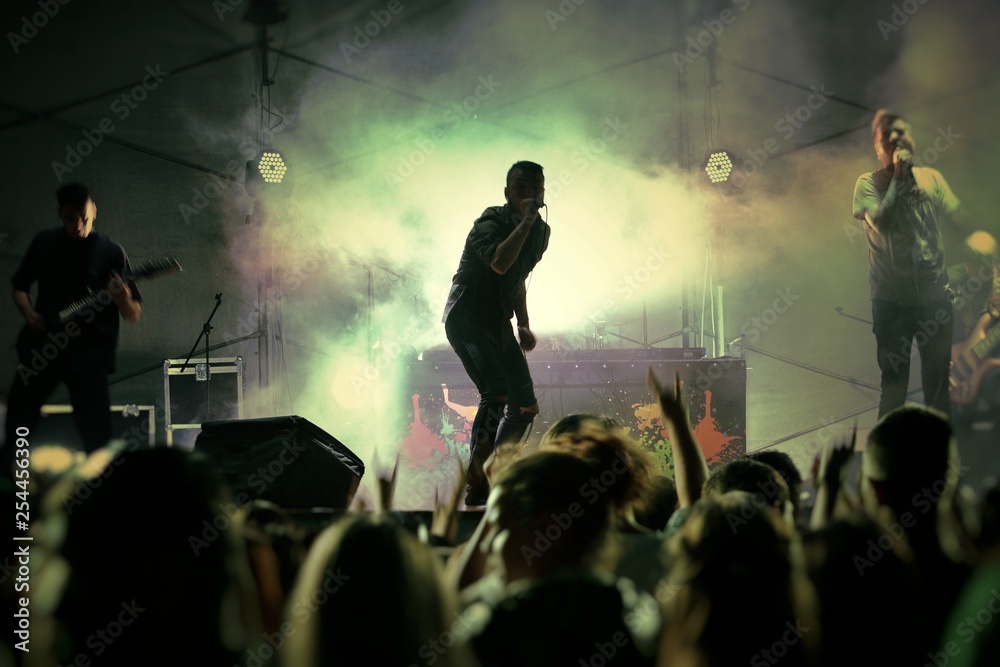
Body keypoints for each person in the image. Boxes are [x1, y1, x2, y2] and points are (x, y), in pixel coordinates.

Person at [2, 183, 142, 473]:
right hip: (44, 347)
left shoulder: (111, 252)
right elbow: (19, 287)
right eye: (70, 218)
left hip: (89, 355)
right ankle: (12, 481)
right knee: (19, 418)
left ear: (94, 211)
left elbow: (133, 314)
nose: (78, 226)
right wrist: (30, 315)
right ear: (59, 214)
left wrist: (122, 297)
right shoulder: (44, 243)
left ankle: (99, 490)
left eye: (84, 218)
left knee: (96, 434)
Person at [443, 160, 550, 506]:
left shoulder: (541, 233)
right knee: (496, 391)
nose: (530, 194)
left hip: (499, 324)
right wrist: (526, 222)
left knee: (526, 407)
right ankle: (478, 480)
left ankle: (497, 473)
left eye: (536, 188)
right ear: (507, 193)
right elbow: (501, 263)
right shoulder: (490, 222)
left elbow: (517, 278)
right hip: (468, 317)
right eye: (522, 188)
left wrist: (523, 323)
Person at [852, 109, 963, 418]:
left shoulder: (931, 178)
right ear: (877, 147)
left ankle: (938, 448)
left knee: (939, 391)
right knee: (894, 389)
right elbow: (883, 224)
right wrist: (899, 178)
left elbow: (958, 223)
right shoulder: (867, 183)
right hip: (892, 304)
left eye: (902, 132)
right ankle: (889, 449)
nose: (896, 138)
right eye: (887, 136)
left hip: (934, 300)